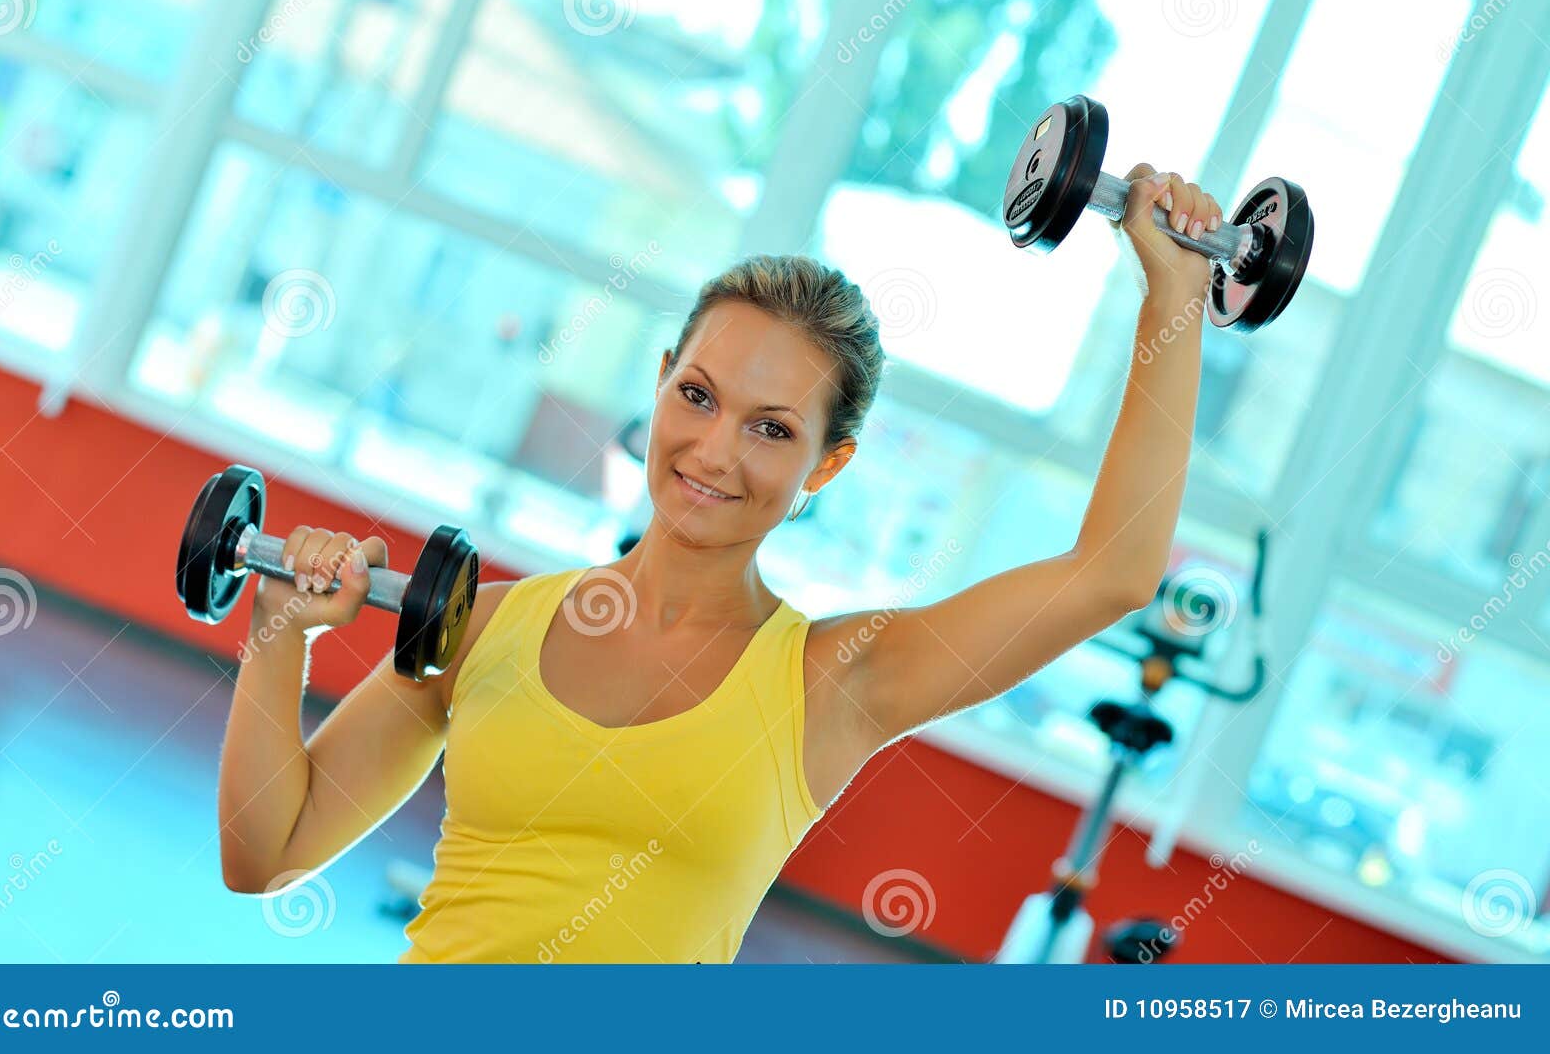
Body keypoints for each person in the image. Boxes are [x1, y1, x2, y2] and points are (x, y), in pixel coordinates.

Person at [217, 165, 1223, 962]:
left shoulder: (835, 683)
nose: (713, 452)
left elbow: (1113, 572)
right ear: (659, 384)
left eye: (771, 428)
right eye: (697, 396)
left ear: (826, 465)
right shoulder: (481, 625)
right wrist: (278, 631)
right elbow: (267, 855)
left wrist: (1171, 298)